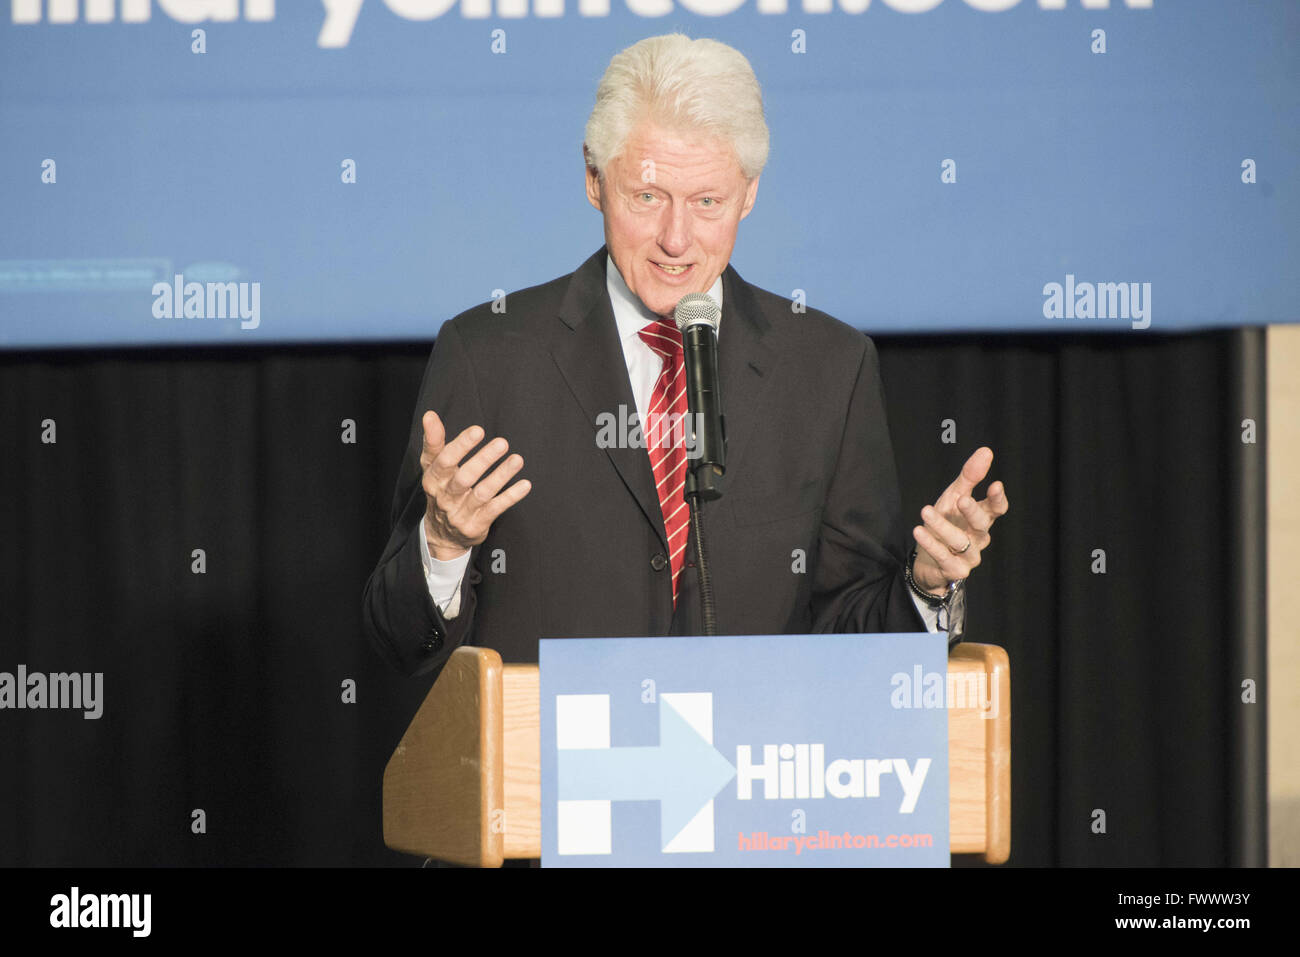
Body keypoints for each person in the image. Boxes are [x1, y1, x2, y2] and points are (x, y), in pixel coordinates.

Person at [362, 34, 1009, 678]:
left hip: (757, 768)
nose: (676, 239)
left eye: (707, 202)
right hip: (543, 772)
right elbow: (396, 641)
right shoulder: (490, 357)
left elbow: (857, 640)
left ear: (748, 194)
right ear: (594, 179)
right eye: (647, 197)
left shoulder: (829, 369)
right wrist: (442, 545)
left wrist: (925, 587)